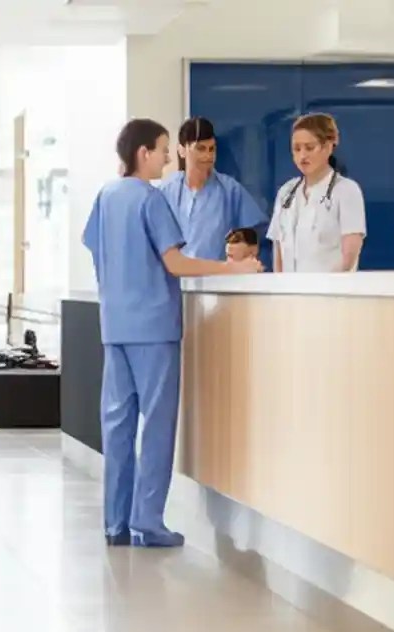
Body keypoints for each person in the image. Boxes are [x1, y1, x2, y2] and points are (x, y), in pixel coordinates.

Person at [82, 119, 262, 548]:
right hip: (154, 327)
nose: (168, 158)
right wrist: (231, 268)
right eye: (164, 149)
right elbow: (176, 263)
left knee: (118, 425)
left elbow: (95, 248)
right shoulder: (151, 198)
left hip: (116, 325)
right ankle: (148, 522)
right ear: (143, 153)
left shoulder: (106, 196)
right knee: (158, 425)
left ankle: (115, 523)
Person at [269, 113, 367, 273]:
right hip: (289, 293)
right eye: (296, 148)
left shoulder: (346, 190)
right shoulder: (286, 192)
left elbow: (349, 255)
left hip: (330, 293)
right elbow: (278, 250)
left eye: (309, 148)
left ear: (328, 147)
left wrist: (325, 289)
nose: (302, 155)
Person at [159, 117, 267, 261]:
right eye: (200, 149)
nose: (208, 156)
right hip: (174, 280)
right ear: (182, 150)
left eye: (212, 149)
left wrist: (247, 245)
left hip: (218, 280)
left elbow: (259, 233)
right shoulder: (165, 192)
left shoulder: (230, 190)